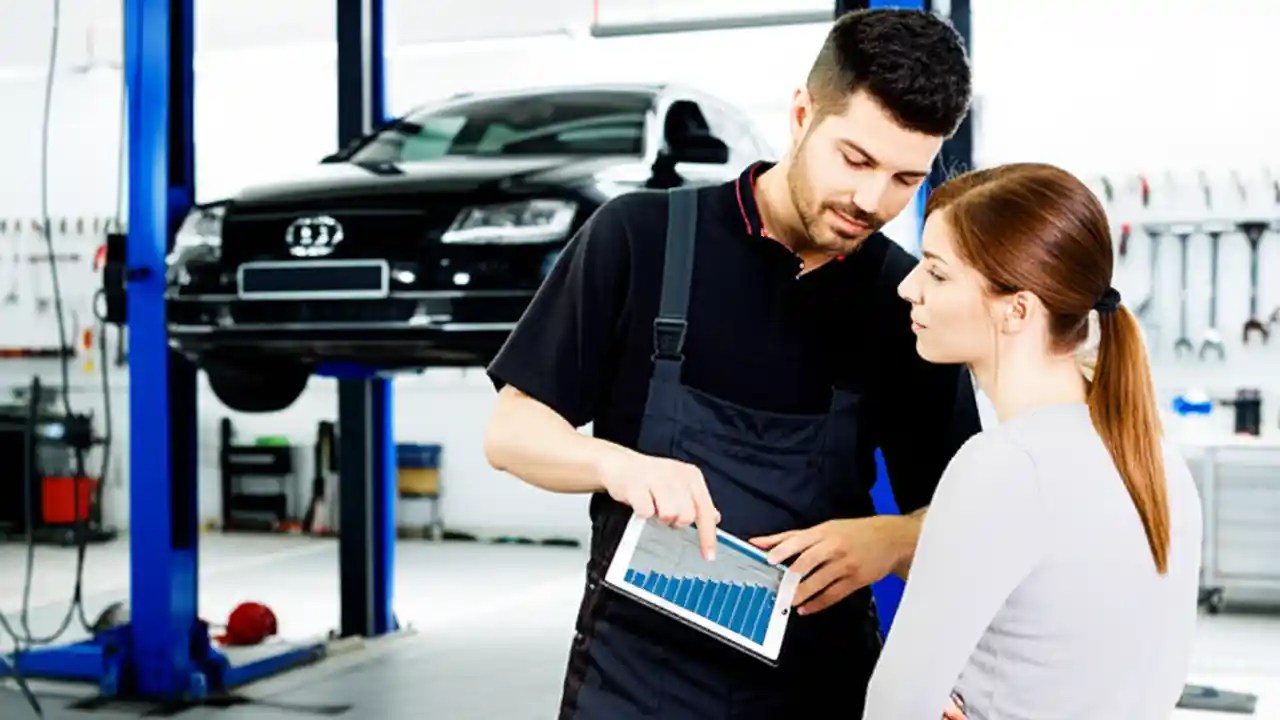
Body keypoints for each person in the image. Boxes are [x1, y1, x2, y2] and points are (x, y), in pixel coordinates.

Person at [483, 8, 980, 718]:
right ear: (802, 112)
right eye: (855, 160)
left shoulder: (906, 302)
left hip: (820, 689)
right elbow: (511, 432)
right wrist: (618, 465)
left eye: (905, 178)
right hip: (634, 686)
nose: (872, 200)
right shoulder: (640, 239)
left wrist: (894, 538)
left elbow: (971, 515)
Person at [862, 162, 1204, 720]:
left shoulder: (1004, 466)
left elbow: (894, 709)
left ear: (1016, 309)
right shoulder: (1155, 456)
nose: (908, 288)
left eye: (937, 273)